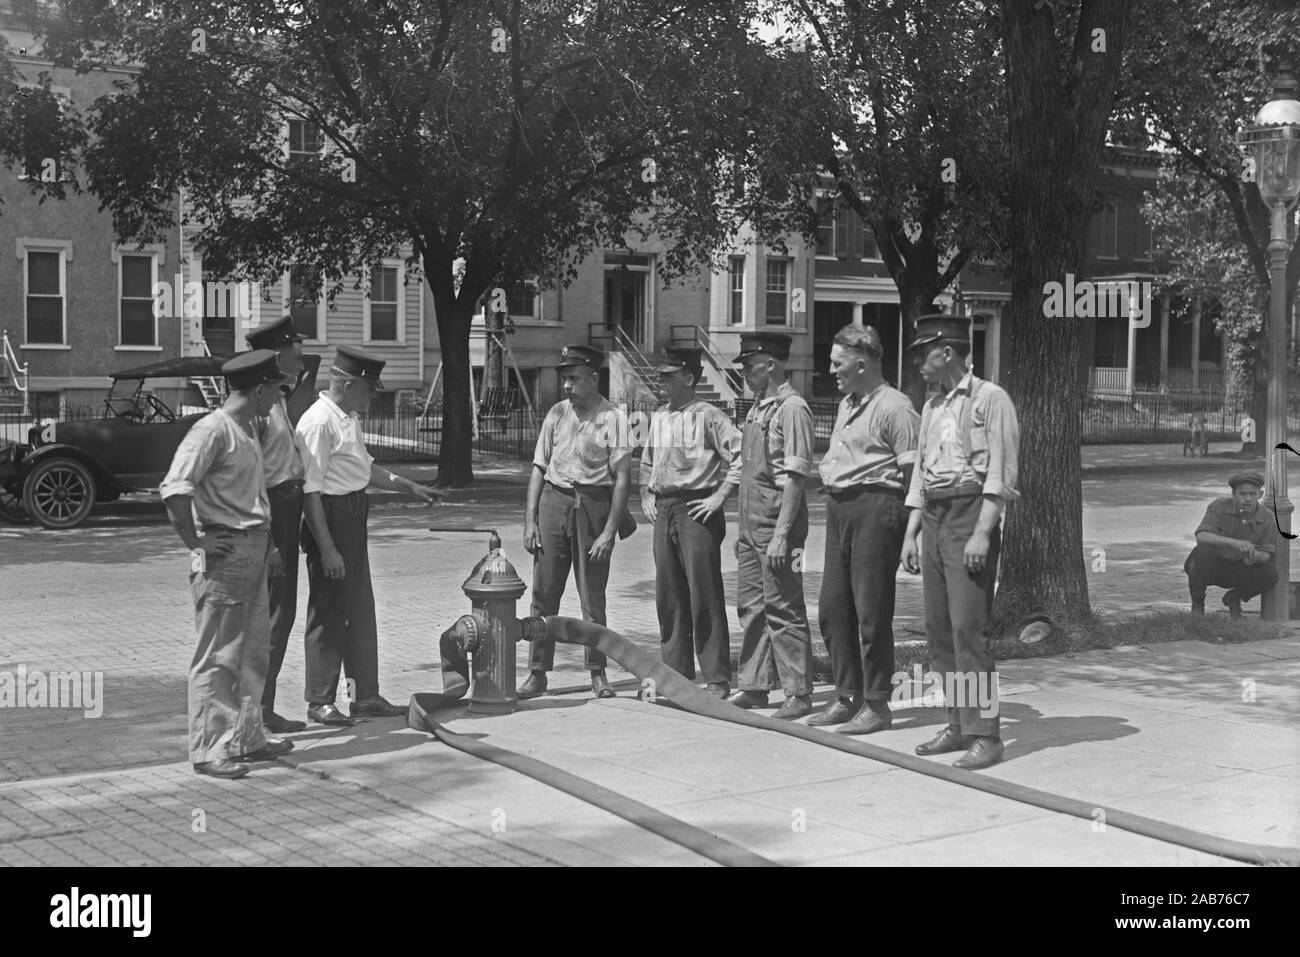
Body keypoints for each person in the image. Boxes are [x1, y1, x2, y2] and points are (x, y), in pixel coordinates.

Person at [160, 350, 295, 780]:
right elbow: (174, 489)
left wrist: (269, 546)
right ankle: (209, 749)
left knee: (254, 650)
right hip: (225, 553)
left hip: (253, 547)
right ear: (259, 389)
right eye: (274, 390)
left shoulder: (246, 429)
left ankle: (246, 737)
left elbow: (255, 498)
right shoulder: (212, 429)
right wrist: (195, 541)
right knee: (218, 655)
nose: (277, 398)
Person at [297, 345, 443, 726]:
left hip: (353, 514)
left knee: (359, 609)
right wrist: (327, 549)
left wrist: (412, 487)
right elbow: (310, 492)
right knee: (330, 611)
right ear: (347, 384)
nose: (373, 395)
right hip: (330, 518)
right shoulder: (318, 423)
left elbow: (368, 470)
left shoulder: (348, 417)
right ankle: (319, 699)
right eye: (368, 388)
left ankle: (365, 696)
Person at [901, 315, 1020, 771]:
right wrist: (912, 532)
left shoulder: (991, 399)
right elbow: (920, 473)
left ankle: (986, 735)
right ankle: (959, 722)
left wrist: (983, 532)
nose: (917, 363)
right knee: (939, 632)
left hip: (970, 515)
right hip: (933, 516)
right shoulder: (931, 406)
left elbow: (1001, 476)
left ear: (946, 351)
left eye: (922, 353)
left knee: (969, 628)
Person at [811, 324, 919, 733]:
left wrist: (910, 532)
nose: (831, 369)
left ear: (862, 362)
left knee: (871, 610)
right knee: (833, 609)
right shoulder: (847, 404)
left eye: (838, 363)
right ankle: (847, 694)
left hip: (877, 508)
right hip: (840, 509)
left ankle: (877, 704)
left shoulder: (896, 407)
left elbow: (913, 476)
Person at [518, 344, 633, 700]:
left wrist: (610, 532)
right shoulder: (556, 414)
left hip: (593, 506)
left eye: (574, 378)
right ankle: (537, 673)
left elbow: (623, 478)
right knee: (543, 595)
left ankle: (598, 673)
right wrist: (531, 520)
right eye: (564, 379)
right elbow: (539, 467)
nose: (567, 385)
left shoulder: (614, 418)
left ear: (594, 378)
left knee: (592, 599)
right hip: (554, 502)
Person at [640, 347, 742, 698]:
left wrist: (721, 496)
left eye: (667, 376)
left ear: (688, 378)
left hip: (697, 510)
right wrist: (645, 495)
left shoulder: (710, 416)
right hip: (665, 510)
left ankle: (716, 678)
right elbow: (646, 462)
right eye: (660, 375)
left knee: (704, 593)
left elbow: (740, 456)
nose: (661, 381)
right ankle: (676, 676)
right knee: (668, 595)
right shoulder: (660, 416)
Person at [726, 333, 818, 718]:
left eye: (749, 365)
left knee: (784, 608)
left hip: (780, 527)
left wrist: (782, 535)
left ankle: (798, 691)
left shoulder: (792, 409)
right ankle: (755, 685)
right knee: (750, 607)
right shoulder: (758, 408)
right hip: (751, 527)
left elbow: (797, 477)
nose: (744, 372)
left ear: (771, 364)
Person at [245, 315, 308, 734]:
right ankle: (254, 713)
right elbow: (251, 478)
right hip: (270, 512)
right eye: (296, 352)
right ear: (278, 355)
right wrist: (268, 543)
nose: (301, 359)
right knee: (270, 615)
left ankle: (263, 708)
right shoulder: (259, 408)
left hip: (288, 508)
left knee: (281, 614)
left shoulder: (279, 399)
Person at [1184, 472, 1279, 618]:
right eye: (1242, 494)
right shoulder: (1219, 506)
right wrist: (1235, 543)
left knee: (1270, 573)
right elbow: (1202, 536)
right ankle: (1197, 604)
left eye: (1252, 494)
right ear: (1233, 494)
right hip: (1214, 566)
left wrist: (1255, 557)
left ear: (1260, 494)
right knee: (1201, 552)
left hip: (1241, 568)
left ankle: (1234, 597)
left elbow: (1266, 553)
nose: (1247, 499)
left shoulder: (1267, 517)